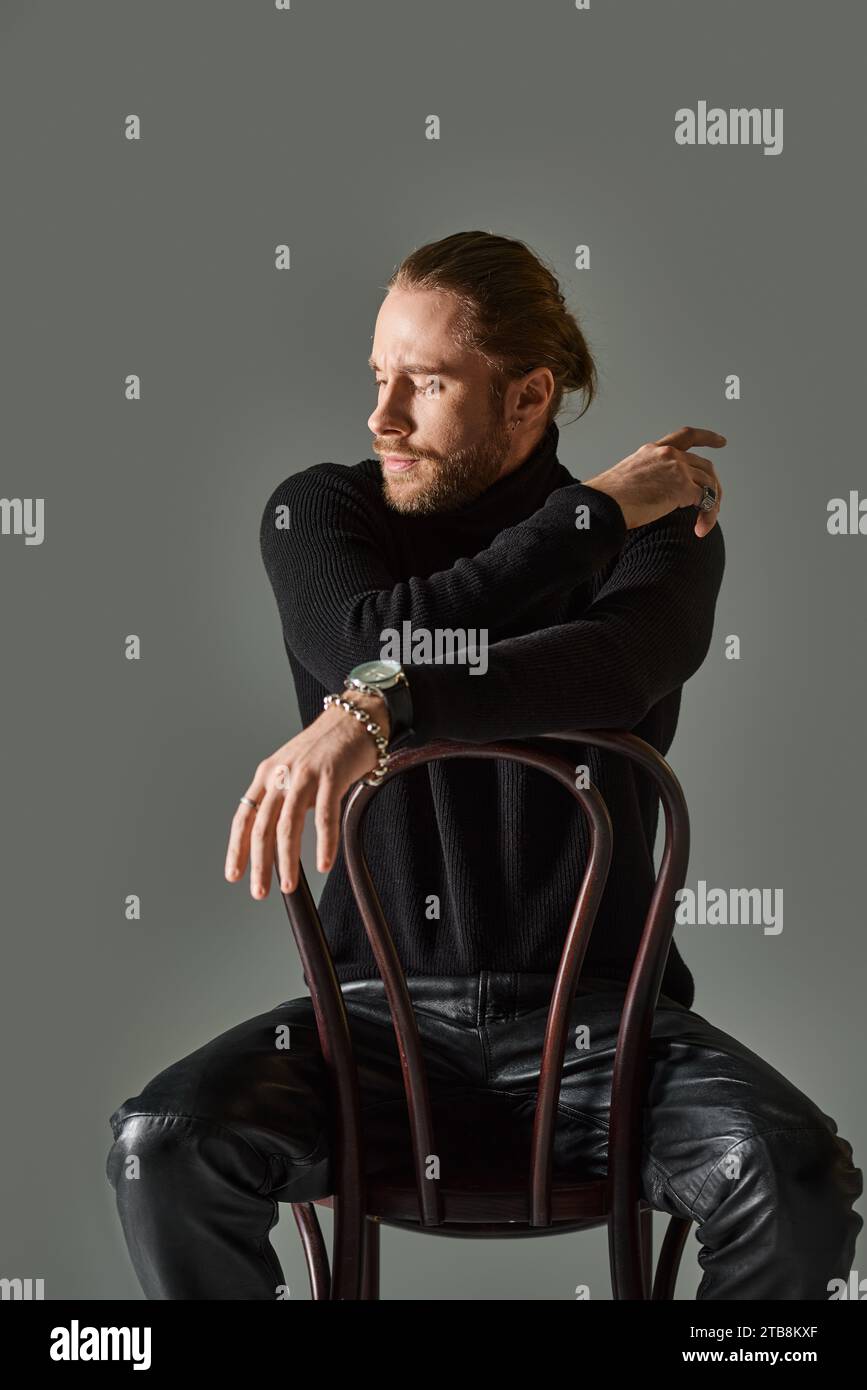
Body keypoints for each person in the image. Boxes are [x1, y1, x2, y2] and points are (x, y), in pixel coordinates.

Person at [106, 230, 862, 1299]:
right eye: (378, 376)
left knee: (796, 1177)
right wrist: (586, 515)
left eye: (425, 382)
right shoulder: (323, 511)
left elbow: (605, 673)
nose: (382, 416)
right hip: (365, 1017)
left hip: (607, 1023)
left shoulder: (667, 535)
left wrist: (381, 705)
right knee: (162, 1145)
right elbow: (371, 628)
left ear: (527, 396)